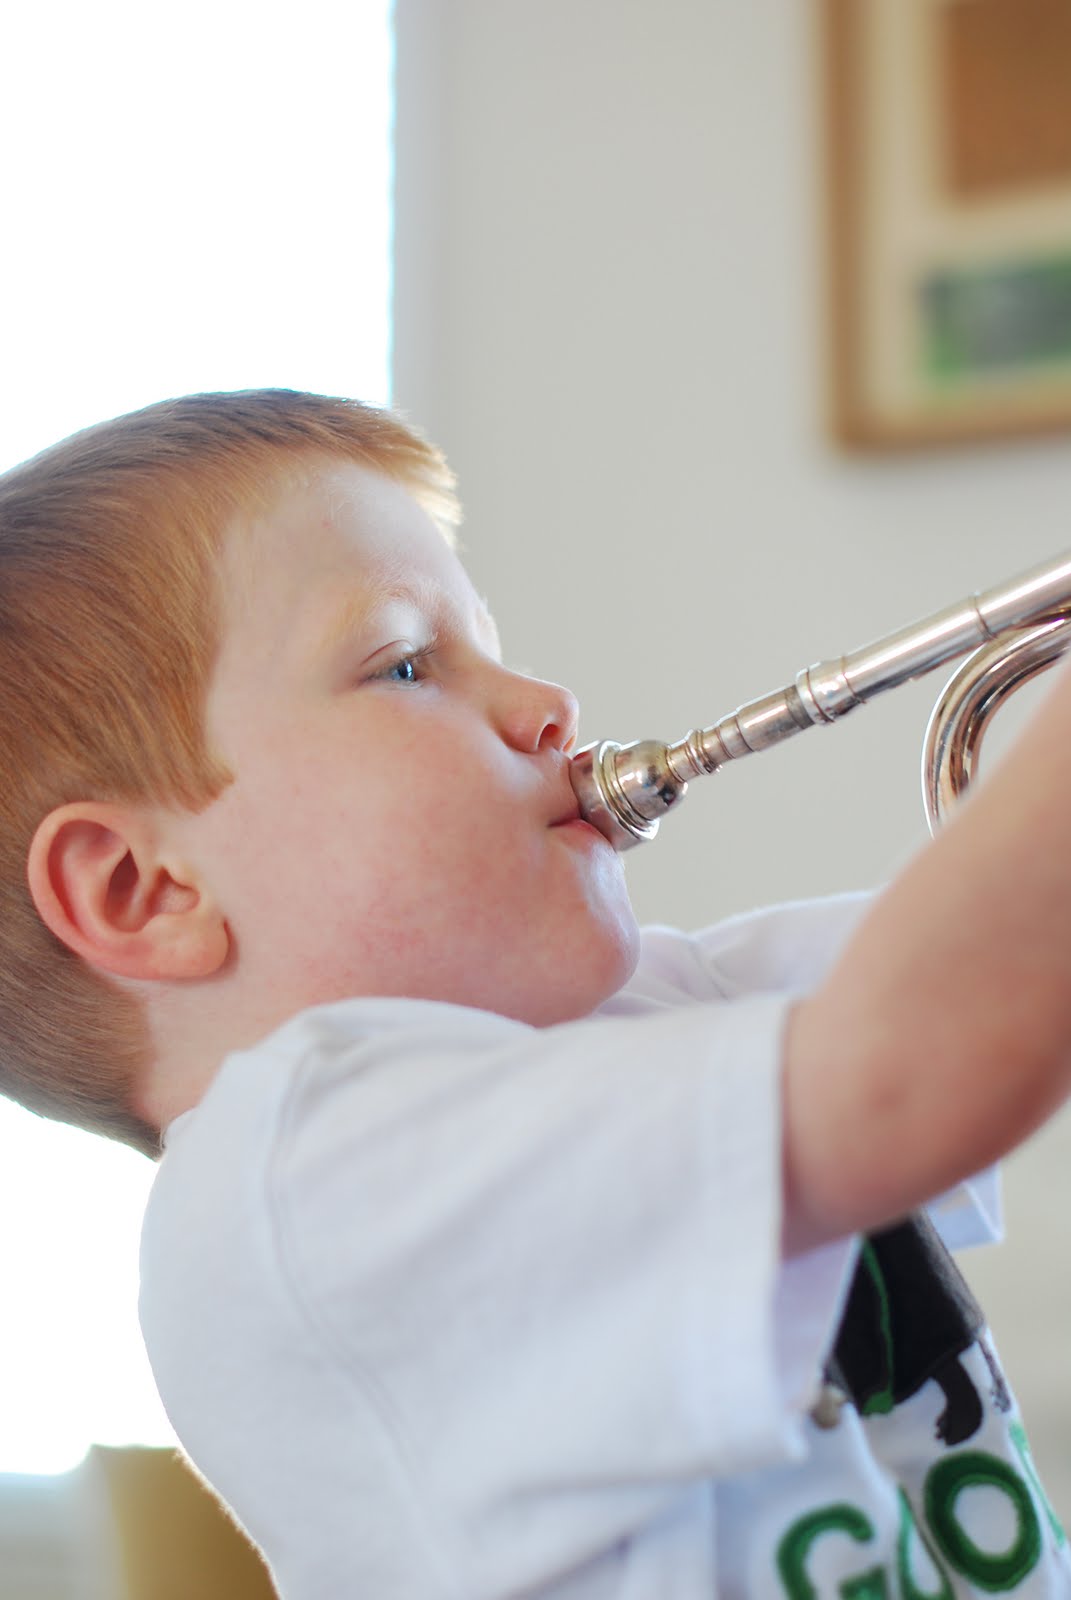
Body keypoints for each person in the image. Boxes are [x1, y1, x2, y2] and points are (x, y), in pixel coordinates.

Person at [2, 388, 1069, 1598]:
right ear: (144, 889)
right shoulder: (300, 1180)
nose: (548, 703)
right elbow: (916, 1063)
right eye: (406, 662)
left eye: (491, 648)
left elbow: (1011, 963)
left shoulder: (638, 1017)